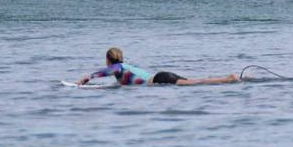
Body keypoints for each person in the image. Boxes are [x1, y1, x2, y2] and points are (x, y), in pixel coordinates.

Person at [76, 47, 240, 86]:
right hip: (161, 76)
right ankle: (233, 78)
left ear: (108, 59)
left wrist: (88, 77)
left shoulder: (117, 67)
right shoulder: (126, 66)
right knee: (196, 82)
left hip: (161, 79)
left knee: (198, 83)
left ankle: (228, 79)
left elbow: (107, 71)